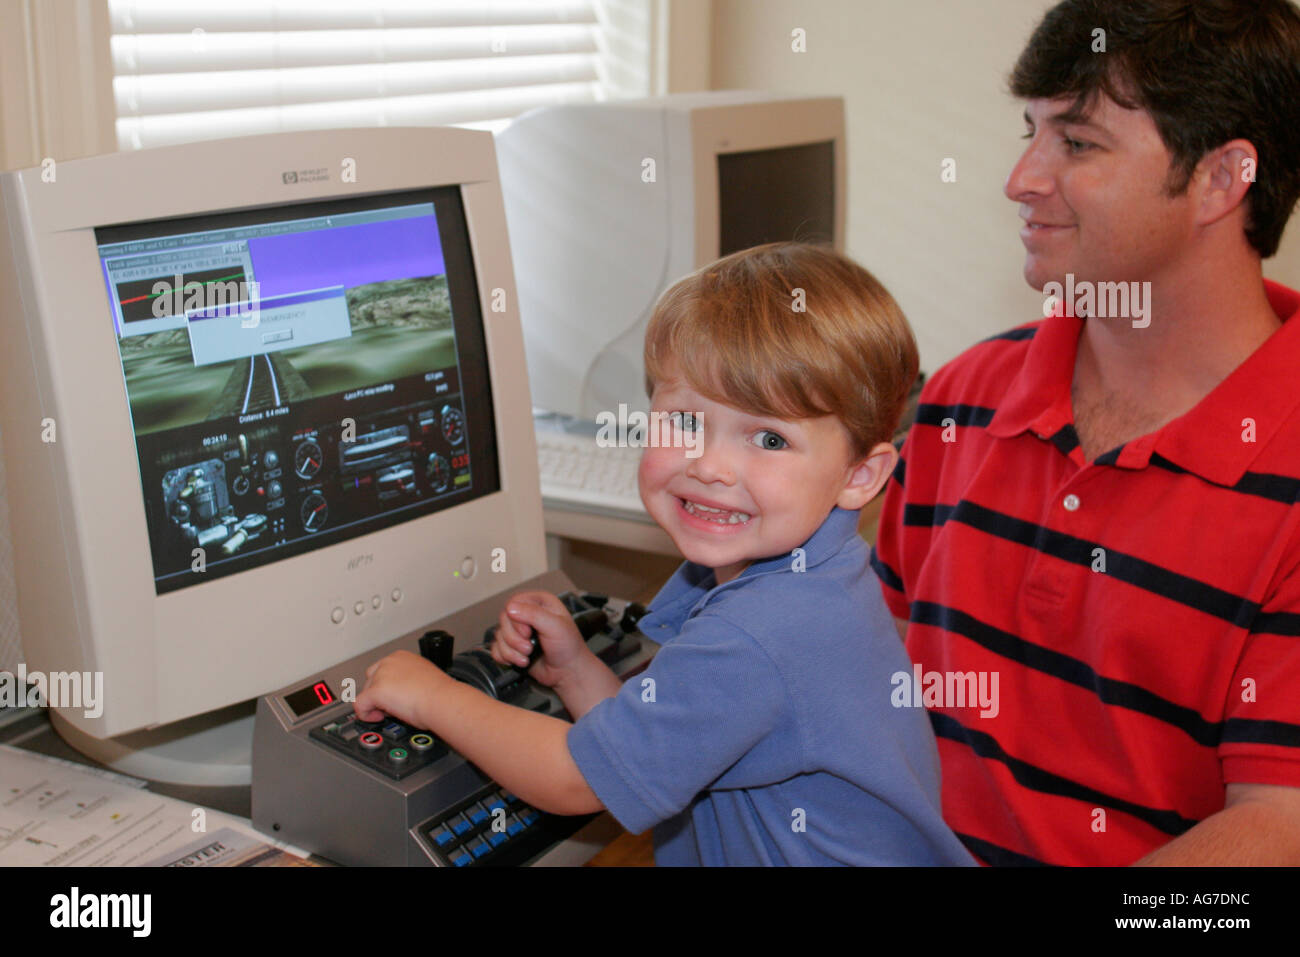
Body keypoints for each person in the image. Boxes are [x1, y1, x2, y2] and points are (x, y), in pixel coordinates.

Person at [357, 242, 973, 865]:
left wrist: (431, 696)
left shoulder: (761, 632)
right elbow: (664, 745)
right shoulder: (809, 576)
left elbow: (574, 780)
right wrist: (574, 670)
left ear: (860, 477)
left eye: (768, 437)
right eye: (684, 421)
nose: (709, 466)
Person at [872, 0, 1300, 865]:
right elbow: (861, 680)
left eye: (1078, 143)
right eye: (1029, 133)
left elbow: (1278, 829)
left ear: (1223, 179)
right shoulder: (962, 399)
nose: (1021, 178)